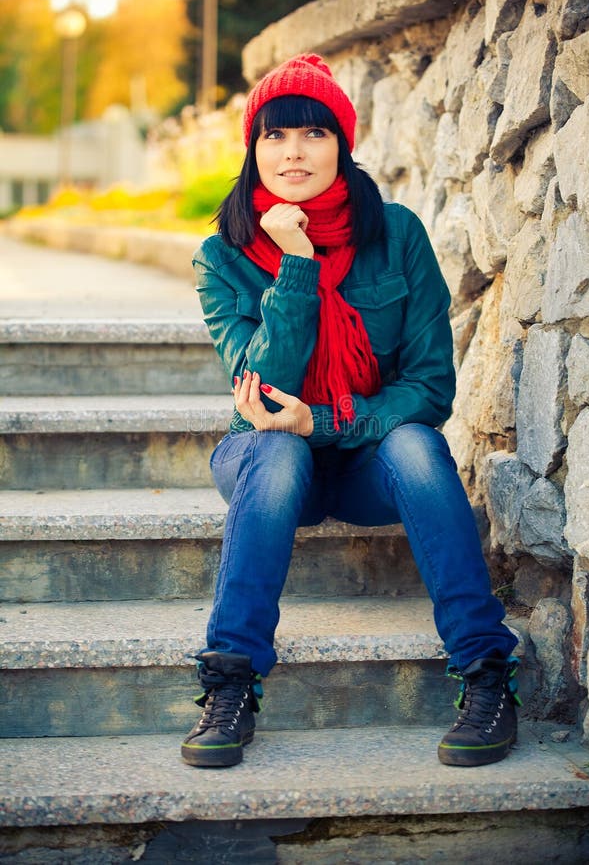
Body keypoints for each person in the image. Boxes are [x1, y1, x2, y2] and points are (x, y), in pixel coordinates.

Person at [181, 53, 520, 771]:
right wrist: (297, 263)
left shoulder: (395, 233)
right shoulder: (223, 256)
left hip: (367, 461)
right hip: (268, 461)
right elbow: (263, 391)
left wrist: (328, 424)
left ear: (342, 144)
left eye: (313, 133)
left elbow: (428, 387)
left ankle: (487, 671)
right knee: (276, 451)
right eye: (275, 136)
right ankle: (231, 680)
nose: (294, 151)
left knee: (418, 446)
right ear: (253, 149)